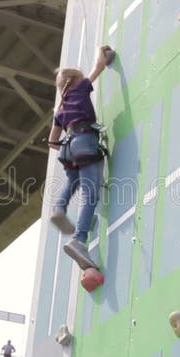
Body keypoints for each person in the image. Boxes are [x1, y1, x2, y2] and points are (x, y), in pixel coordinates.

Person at [47, 46, 112, 271]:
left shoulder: (60, 110)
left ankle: (59, 207)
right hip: (85, 139)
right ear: (75, 80)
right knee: (90, 193)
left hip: (68, 147)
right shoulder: (80, 88)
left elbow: (52, 141)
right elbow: (99, 66)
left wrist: (72, 151)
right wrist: (99, 50)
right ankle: (79, 239)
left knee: (73, 180)